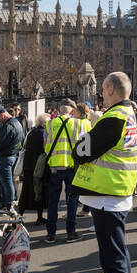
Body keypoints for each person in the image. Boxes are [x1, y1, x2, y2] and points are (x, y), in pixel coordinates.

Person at [70, 72, 137, 273]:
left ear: (110, 88)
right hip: (114, 195)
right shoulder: (127, 113)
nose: (99, 91)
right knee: (115, 259)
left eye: (102, 87)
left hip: (109, 197)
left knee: (115, 262)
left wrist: (85, 138)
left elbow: (80, 152)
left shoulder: (113, 118)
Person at [43, 100, 83, 243]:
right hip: (72, 167)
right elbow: (82, 146)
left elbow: (45, 146)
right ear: (72, 111)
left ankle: (50, 234)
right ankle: (71, 233)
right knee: (71, 200)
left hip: (54, 168)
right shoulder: (78, 124)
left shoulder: (49, 124)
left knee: (53, 201)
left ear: (59, 111)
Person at [17, 113, 49, 227]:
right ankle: (39, 217)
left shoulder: (31, 133)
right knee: (38, 191)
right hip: (38, 167)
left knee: (25, 192)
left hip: (28, 166)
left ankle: (19, 216)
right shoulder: (44, 134)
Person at [0, 107, 24, 211]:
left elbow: (0, 142)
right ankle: (6, 203)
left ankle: (9, 204)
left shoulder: (8, 125)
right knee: (4, 181)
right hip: (9, 155)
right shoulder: (15, 123)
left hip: (5, 156)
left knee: (6, 181)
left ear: (3, 115)